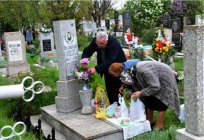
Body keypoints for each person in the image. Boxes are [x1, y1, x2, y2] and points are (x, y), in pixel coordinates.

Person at [109, 61, 180, 130]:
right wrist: (127, 88)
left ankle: (159, 126)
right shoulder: (127, 70)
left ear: (117, 71)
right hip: (153, 77)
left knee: (161, 101)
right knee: (148, 98)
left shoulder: (144, 71)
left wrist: (140, 93)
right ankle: (150, 123)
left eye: (113, 74)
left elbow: (155, 87)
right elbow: (133, 81)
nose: (113, 76)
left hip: (164, 76)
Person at [81, 29, 127, 104]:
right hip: (105, 66)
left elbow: (110, 61)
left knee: (116, 88)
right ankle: (112, 105)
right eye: (98, 43)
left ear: (107, 40)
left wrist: (95, 68)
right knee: (109, 87)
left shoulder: (114, 43)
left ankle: (119, 107)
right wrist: (84, 60)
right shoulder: (97, 41)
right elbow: (87, 51)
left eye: (102, 44)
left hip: (117, 67)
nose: (99, 45)